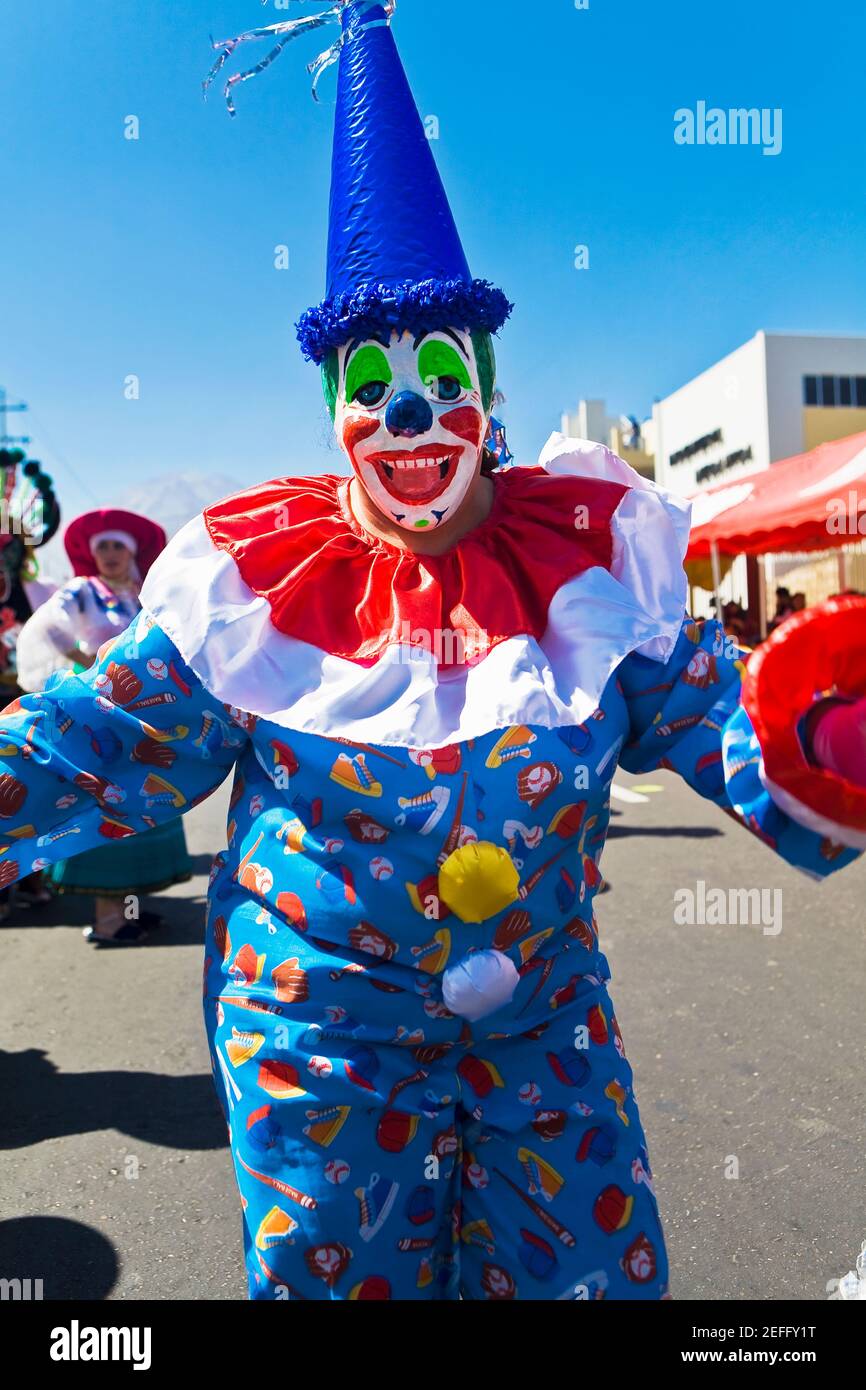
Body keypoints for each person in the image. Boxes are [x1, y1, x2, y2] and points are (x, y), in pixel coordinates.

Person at [1, 0, 865, 1300]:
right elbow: (102, 738)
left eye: (441, 368)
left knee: (590, 1276)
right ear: (331, 400)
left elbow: (724, 724)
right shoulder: (255, 577)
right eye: (369, 382)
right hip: (318, 1029)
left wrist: (824, 736)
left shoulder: (590, 551)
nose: (409, 410)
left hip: (541, 1022)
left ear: (489, 380)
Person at [14, 508, 193, 945]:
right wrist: (91, 668)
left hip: (141, 717)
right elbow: (47, 632)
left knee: (138, 807)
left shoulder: (140, 594)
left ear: (131, 552)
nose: (111, 554)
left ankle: (129, 911)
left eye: (118, 546)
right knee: (106, 809)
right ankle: (107, 920)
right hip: (98, 719)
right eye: (103, 547)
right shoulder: (80, 593)